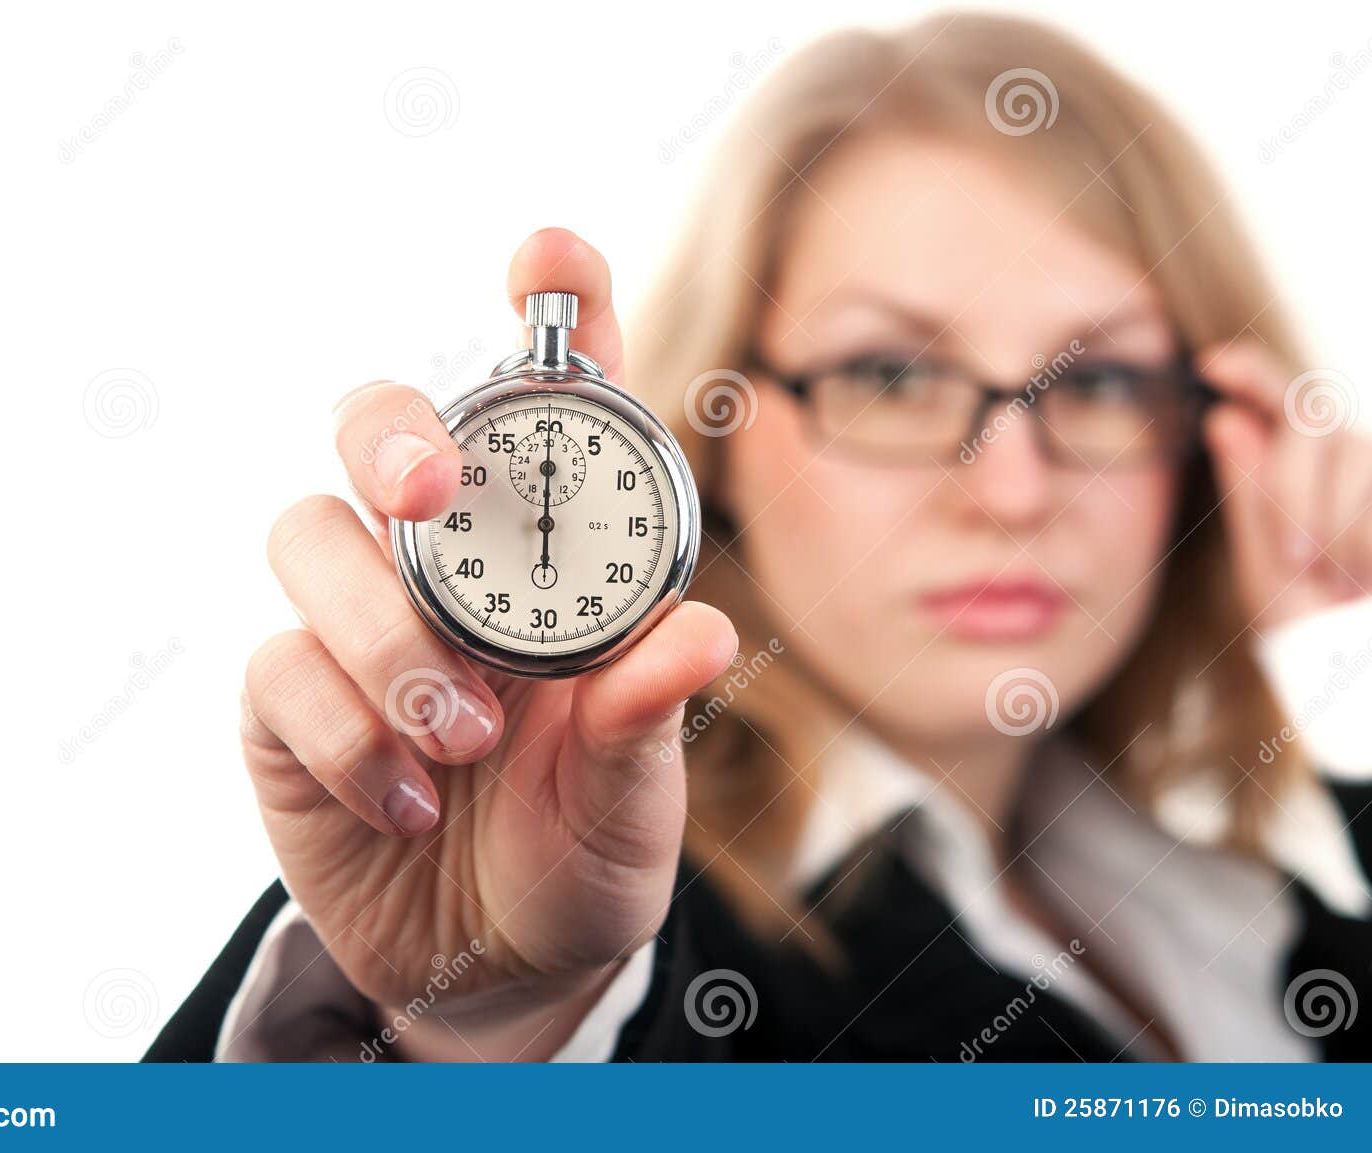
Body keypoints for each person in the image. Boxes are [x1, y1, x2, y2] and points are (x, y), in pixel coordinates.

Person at [148, 12, 1372, 1062]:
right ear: (716, 433)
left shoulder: (1295, 876)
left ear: (1221, 438)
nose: (1009, 490)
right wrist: (477, 1025)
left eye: (1097, 381)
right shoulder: (600, 929)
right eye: (889, 375)